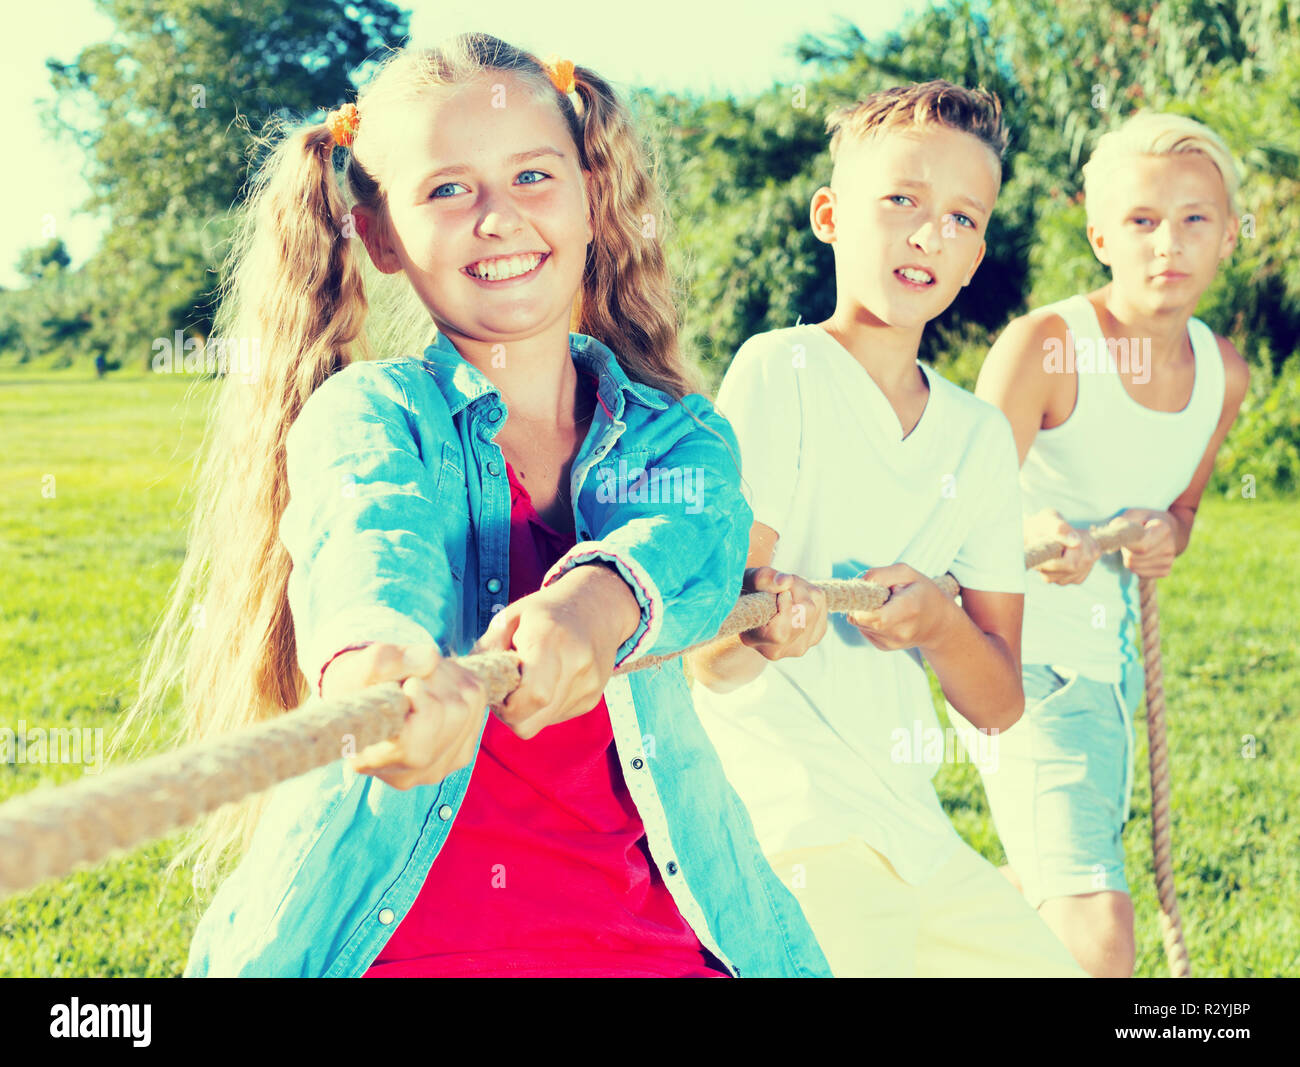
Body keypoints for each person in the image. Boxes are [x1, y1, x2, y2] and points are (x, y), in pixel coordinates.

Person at [119, 33, 829, 978]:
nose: (498, 218)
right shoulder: (374, 415)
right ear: (377, 235)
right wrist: (385, 673)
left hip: (650, 940)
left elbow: (690, 540)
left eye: (533, 175)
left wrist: (591, 607)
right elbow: (367, 542)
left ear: (591, 194)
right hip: (409, 945)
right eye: (447, 190)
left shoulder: (677, 432)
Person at [687, 81, 1086, 978]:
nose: (926, 234)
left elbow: (997, 701)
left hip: (916, 833)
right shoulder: (780, 368)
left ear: (978, 251)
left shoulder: (979, 437)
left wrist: (942, 626)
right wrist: (769, 627)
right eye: (901, 199)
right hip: (789, 821)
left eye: (960, 217)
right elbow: (713, 651)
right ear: (830, 214)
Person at [953, 111, 1250, 977]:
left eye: (1196, 219)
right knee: (1099, 942)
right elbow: (950, 515)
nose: (1170, 244)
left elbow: (1183, 514)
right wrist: (1027, 532)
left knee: (1050, 880)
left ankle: (940, 919)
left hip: (1109, 666)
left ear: (1229, 234)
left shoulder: (1223, 373)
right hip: (1021, 659)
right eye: (1142, 222)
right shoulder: (1048, 347)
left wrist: (1166, 533)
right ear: (1100, 235)